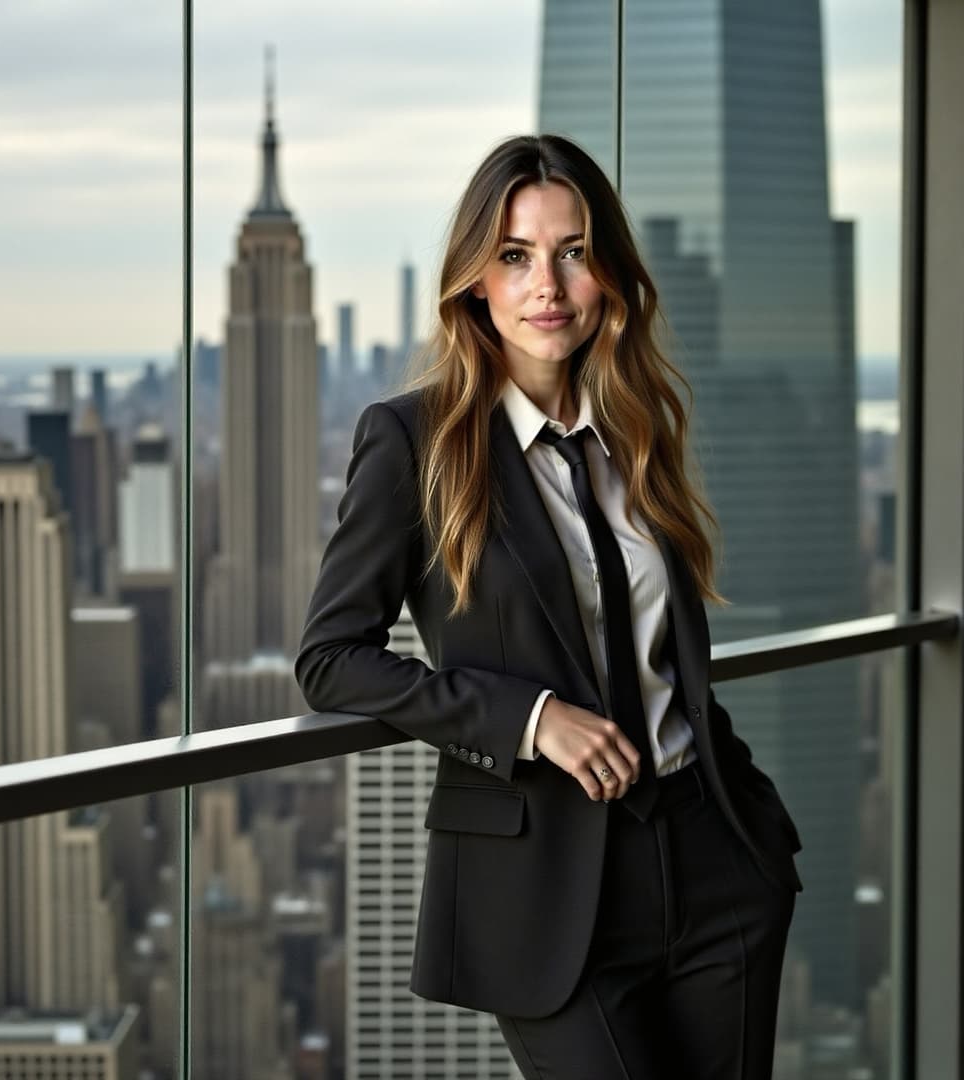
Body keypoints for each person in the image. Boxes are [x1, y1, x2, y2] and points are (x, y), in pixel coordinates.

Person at [295, 133, 802, 1079]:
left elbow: (665, 658)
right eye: (516, 257)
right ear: (474, 282)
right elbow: (330, 659)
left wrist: (760, 845)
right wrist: (532, 721)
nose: (548, 286)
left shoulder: (637, 427)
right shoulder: (414, 440)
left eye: (573, 252)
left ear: (606, 272)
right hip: (548, 890)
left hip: (711, 858)